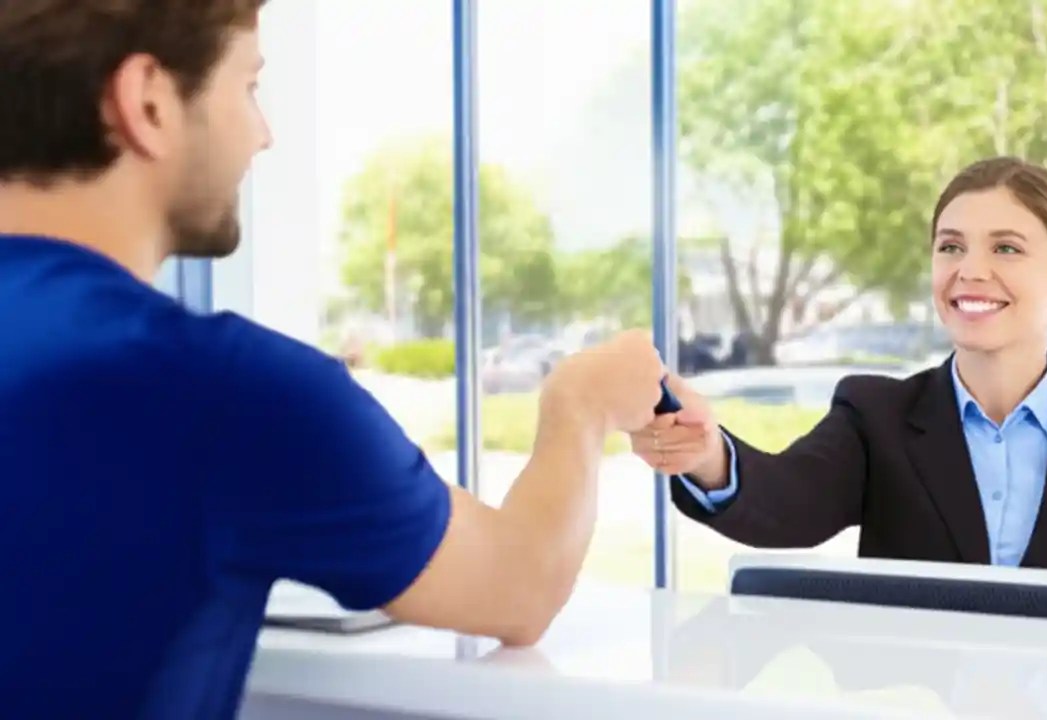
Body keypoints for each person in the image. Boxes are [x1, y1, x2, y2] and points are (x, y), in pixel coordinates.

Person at [0, 2, 665, 718]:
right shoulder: (229, 394)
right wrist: (582, 404)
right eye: (249, 86)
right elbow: (521, 583)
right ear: (149, 102)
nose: (263, 136)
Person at [632, 156, 1047, 578]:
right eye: (951, 247)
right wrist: (707, 455)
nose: (970, 270)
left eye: (1006, 248)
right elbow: (783, 504)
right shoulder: (875, 419)